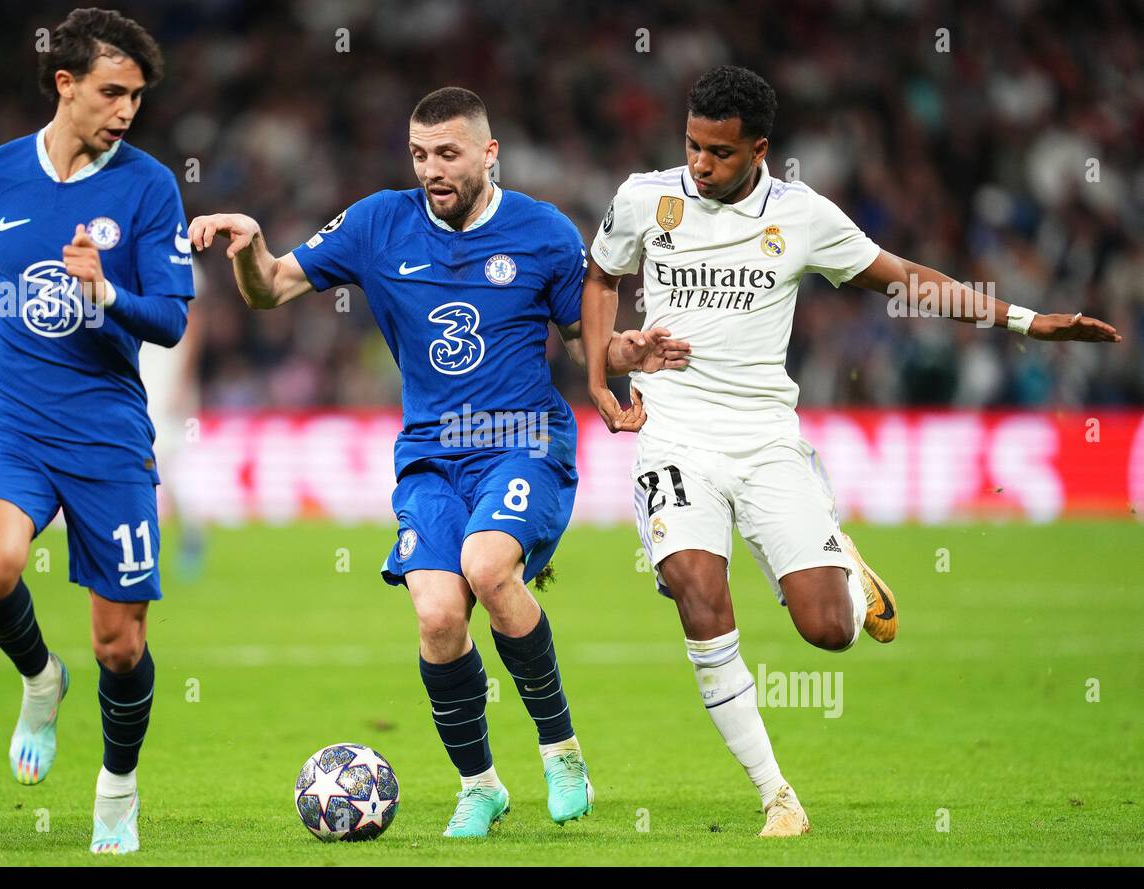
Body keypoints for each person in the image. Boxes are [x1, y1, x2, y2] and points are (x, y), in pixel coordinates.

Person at [581, 65, 1120, 837]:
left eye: (720, 154)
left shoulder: (802, 217)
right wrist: (604, 372)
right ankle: (777, 796)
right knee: (699, 596)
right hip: (673, 435)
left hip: (766, 440)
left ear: (760, 149)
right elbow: (600, 274)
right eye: (692, 146)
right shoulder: (645, 198)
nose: (699, 165)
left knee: (828, 631)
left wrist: (1028, 322)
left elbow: (907, 281)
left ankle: (837, 552)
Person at [190, 86, 688, 838]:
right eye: (420, 154)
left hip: (526, 441)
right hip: (430, 454)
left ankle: (561, 750)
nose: (432, 169)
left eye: (448, 153)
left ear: (489, 154)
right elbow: (272, 290)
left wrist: (630, 350)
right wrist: (251, 248)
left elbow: (591, 342)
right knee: (436, 615)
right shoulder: (376, 224)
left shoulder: (544, 234)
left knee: (489, 571)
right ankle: (480, 786)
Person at [0, 7, 195, 854]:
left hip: (105, 431)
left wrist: (107, 295)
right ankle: (38, 677)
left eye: (137, 95)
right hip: (12, 420)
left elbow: (169, 320)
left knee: (121, 645)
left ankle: (117, 790)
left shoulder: (147, 187)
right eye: (112, 92)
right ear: (65, 85)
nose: (127, 110)